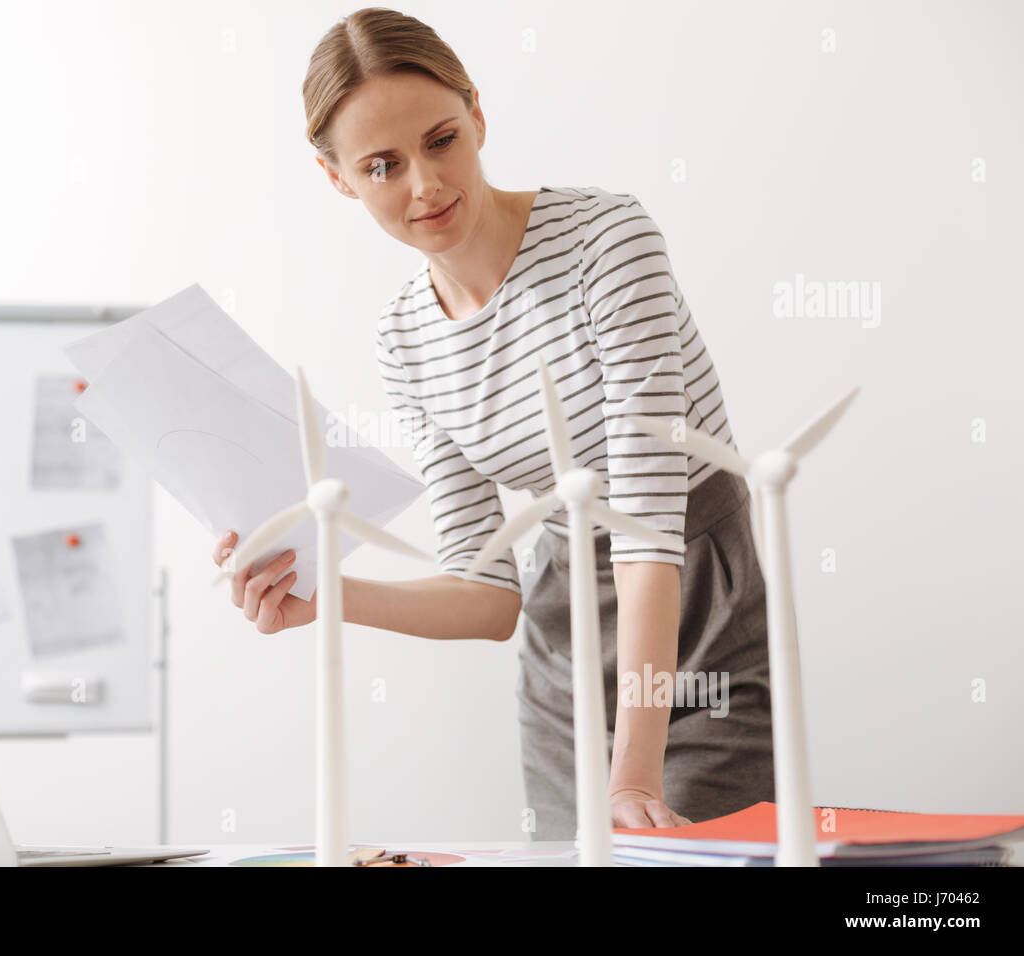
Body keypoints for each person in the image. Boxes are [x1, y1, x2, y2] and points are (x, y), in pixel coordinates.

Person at [211, 7, 775, 834]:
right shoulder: (403, 340)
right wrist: (321, 596)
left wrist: (631, 775)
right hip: (562, 640)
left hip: (694, 602)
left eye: (441, 139)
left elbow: (651, 528)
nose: (425, 186)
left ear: (476, 112)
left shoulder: (607, 244)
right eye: (382, 165)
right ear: (338, 179)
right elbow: (486, 594)